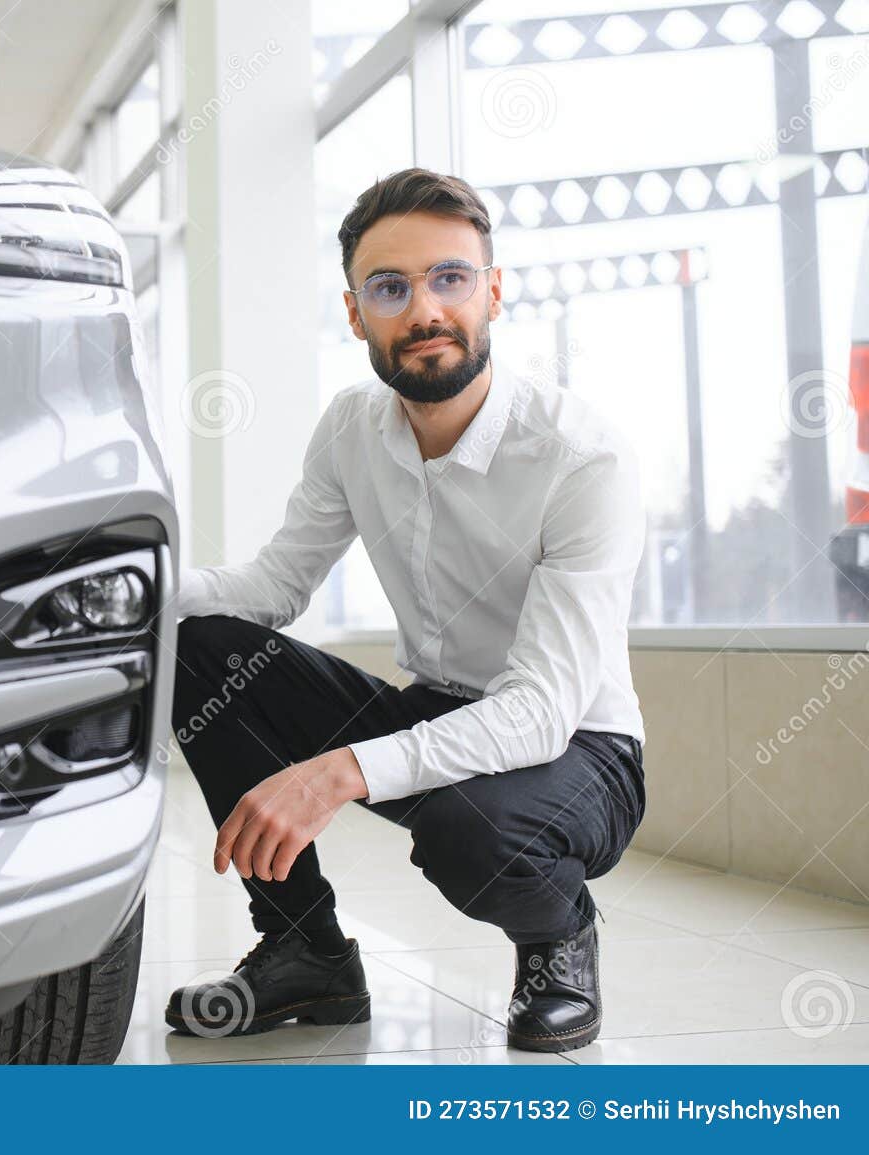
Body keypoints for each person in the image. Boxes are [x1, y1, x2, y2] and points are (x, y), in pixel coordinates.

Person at [166, 167, 647, 1053]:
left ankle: (558, 939)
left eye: (450, 278)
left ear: (493, 291)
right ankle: (305, 950)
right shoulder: (353, 427)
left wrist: (336, 772)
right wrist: (140, 589)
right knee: (203, 651)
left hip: (580, 746)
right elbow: (273, 588)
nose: (424, 309)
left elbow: (540, 712)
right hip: (438, 705)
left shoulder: (583, 459)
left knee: (469, 832)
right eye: (390, 287)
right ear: (357, 314)